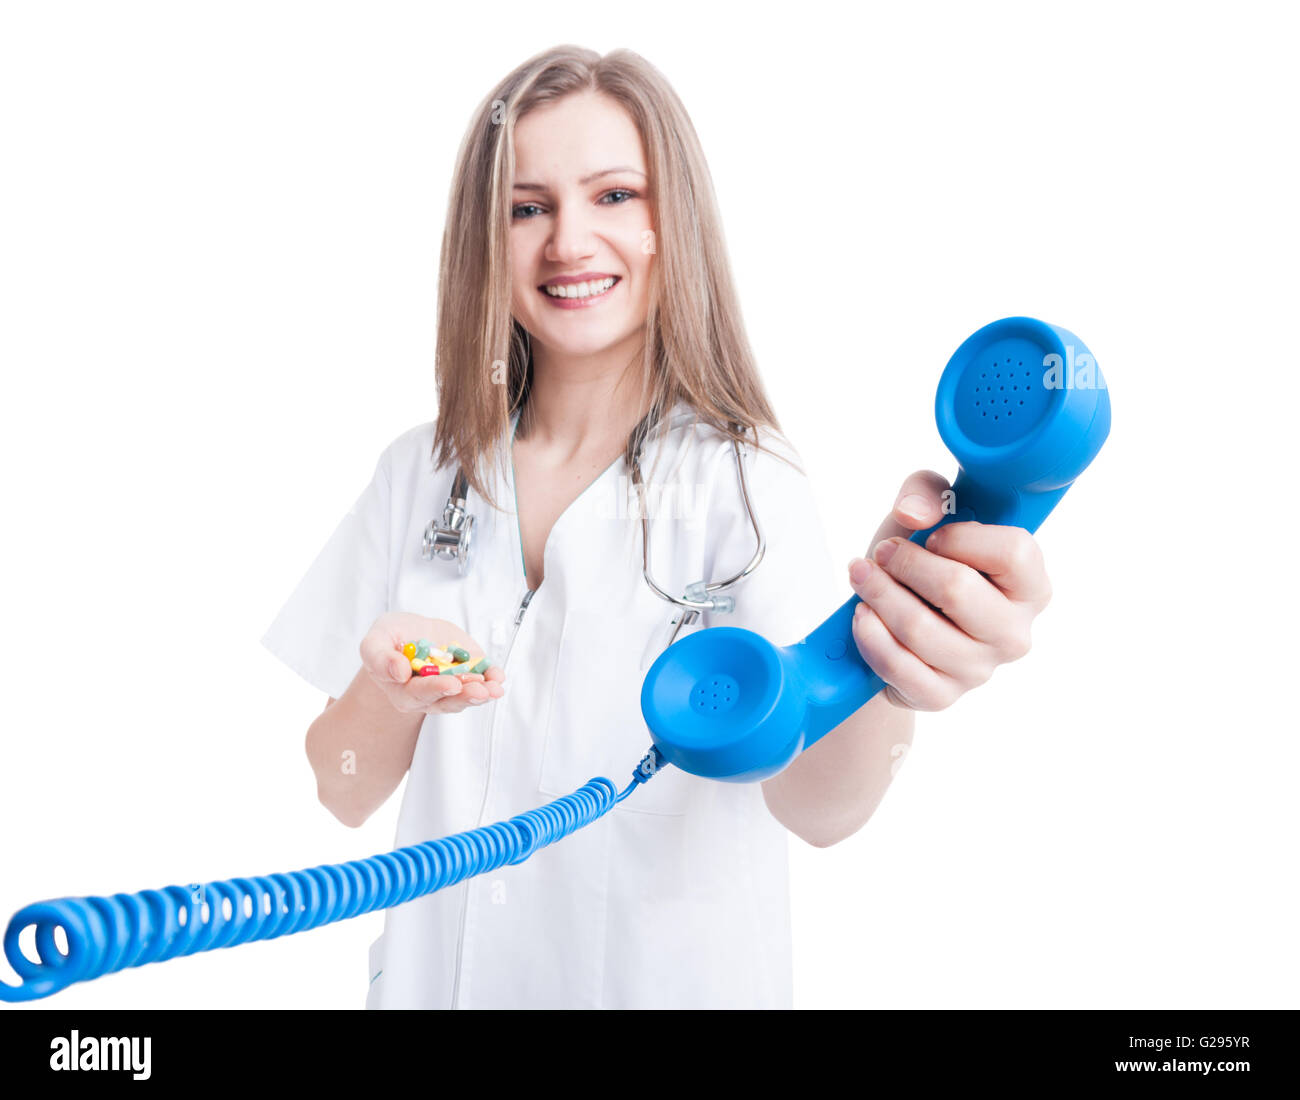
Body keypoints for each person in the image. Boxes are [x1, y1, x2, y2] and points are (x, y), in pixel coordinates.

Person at [261, 45, 1053, 1009]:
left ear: (671, 223)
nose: (568, 243)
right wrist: (395, 689)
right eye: (527, 206)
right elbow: (339, 787)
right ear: (486, 237)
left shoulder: (747, 480)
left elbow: (821, 810)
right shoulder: (420, 474)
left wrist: (889, 668)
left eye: (614, 196)